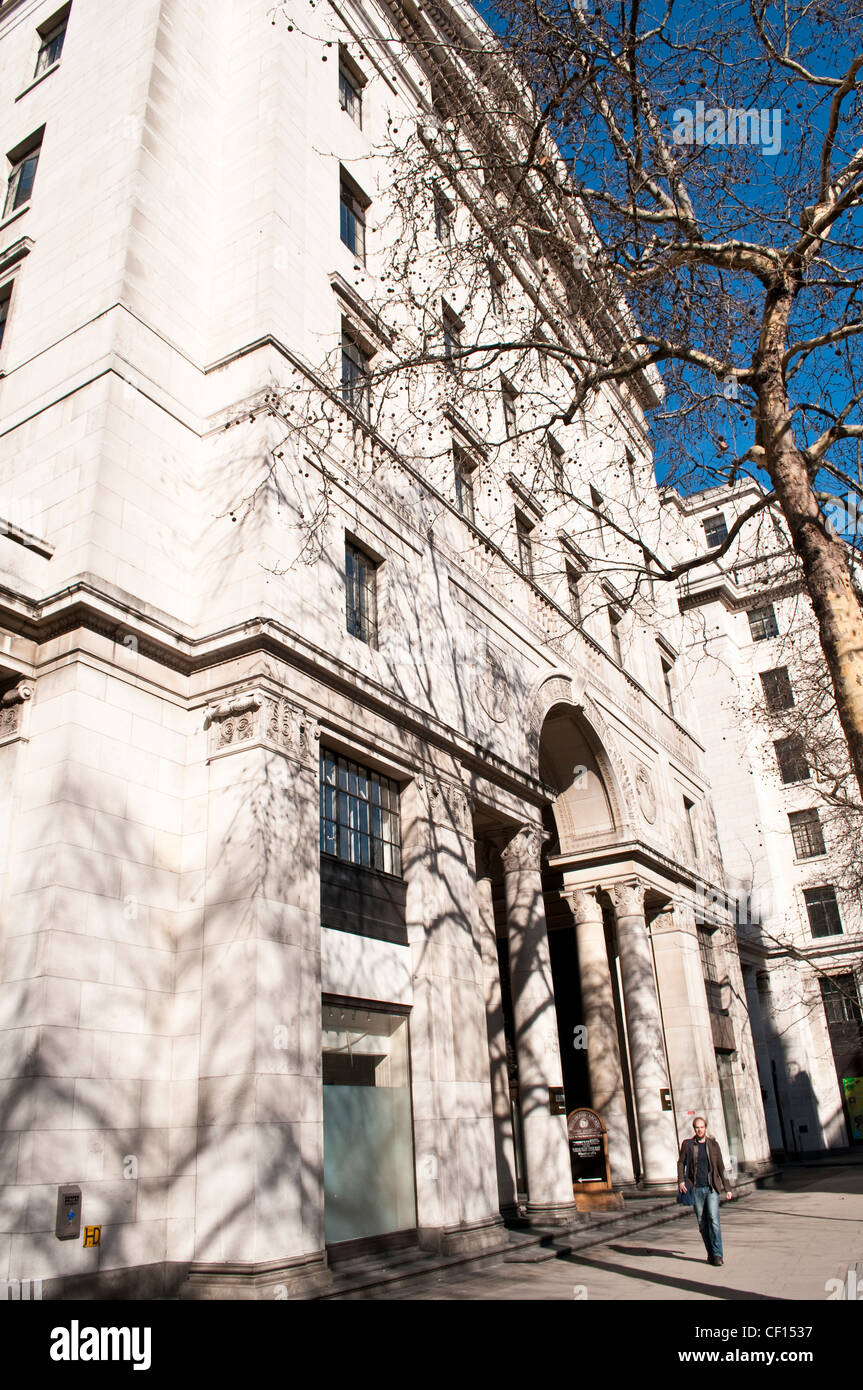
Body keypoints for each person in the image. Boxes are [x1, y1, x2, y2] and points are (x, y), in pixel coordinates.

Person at [677, 1116, 734, 1266]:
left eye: (702, 1127)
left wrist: (727, 1188)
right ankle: (710, 1253)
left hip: (711, 1188)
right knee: (702, 1223)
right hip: (696, 1189)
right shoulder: (688, 1145)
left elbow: (721, 1167)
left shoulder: (713, 1145)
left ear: (705, 1128)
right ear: (694, 1129)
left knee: (714, 1221)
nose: (699, 1130)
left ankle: (717, 1254)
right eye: (697, 1127)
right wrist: (681, 1180)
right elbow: (681, 1162)